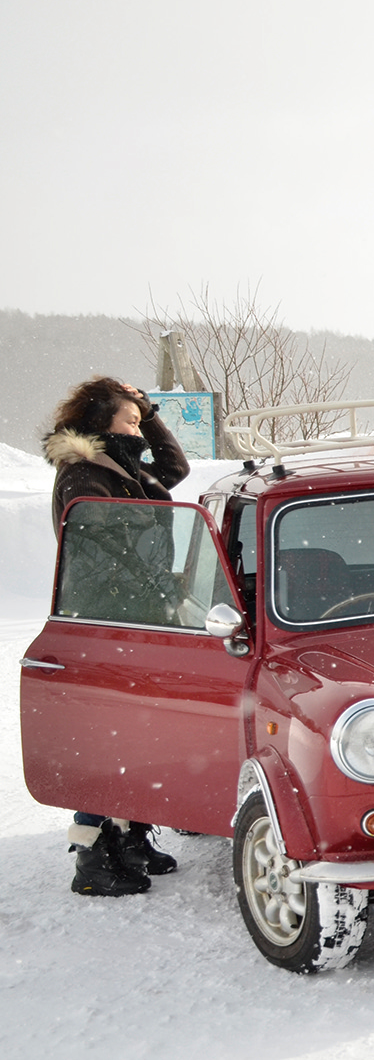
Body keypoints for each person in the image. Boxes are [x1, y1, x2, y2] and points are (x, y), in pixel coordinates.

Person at [42, 375, 189, 896]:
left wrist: (151, 413)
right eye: (129, 420)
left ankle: (131, 838)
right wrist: (155, 589)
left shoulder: (125, 468)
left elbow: (176, 469)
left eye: (138, 421)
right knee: (107, 735)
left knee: (139, 730)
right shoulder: (85, 476)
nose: (138, 429)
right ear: (101, 423)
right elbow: (104, 552)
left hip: (139, 616)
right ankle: (93, 857)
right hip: (107, 620)